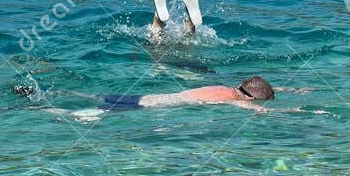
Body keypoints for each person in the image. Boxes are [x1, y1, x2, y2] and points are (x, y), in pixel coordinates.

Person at [101, 76, 275, 111]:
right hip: (163, 103)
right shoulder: (235, 99)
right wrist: (288, 112)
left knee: (105, 99)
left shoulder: (226, 89)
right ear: (251, 98)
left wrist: (289, 89)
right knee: (104, 110)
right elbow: (256, 109)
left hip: (162, 96)